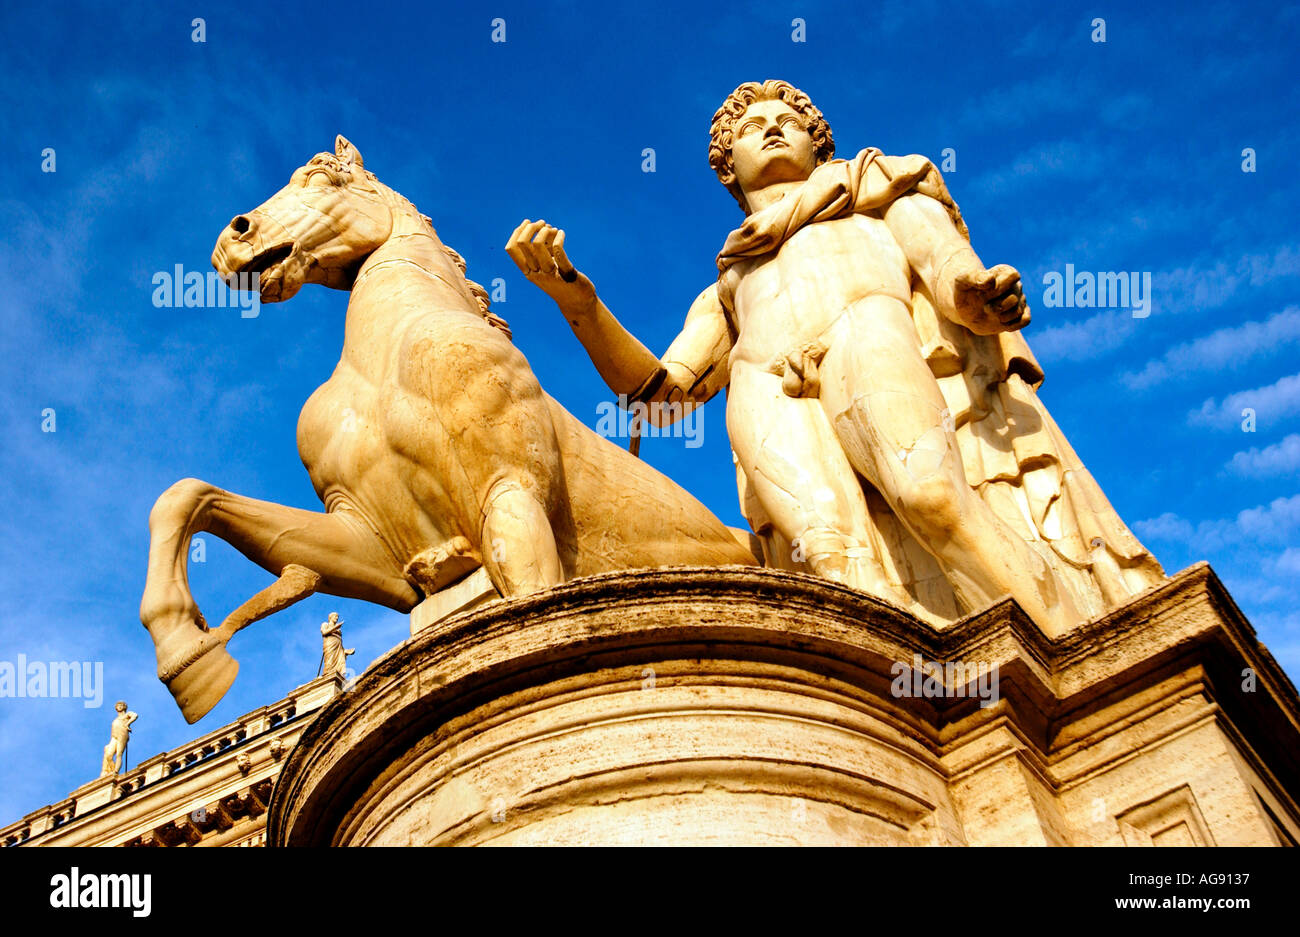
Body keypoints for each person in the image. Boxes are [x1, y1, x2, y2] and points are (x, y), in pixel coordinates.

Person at [506, 80, 1162, 635]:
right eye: (752, 126)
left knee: (932, 497)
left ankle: (1074, 648)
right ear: (726, 165)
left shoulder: (876, 192)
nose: (771, 130)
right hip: (765, 386)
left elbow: (945, 265)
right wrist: (580, 304)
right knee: (831, 559)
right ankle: (907, 724)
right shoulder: (728, 286)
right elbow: (660, 398)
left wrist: (978, 297)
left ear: (816, 142)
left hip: (866, 331)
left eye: (787, 122)